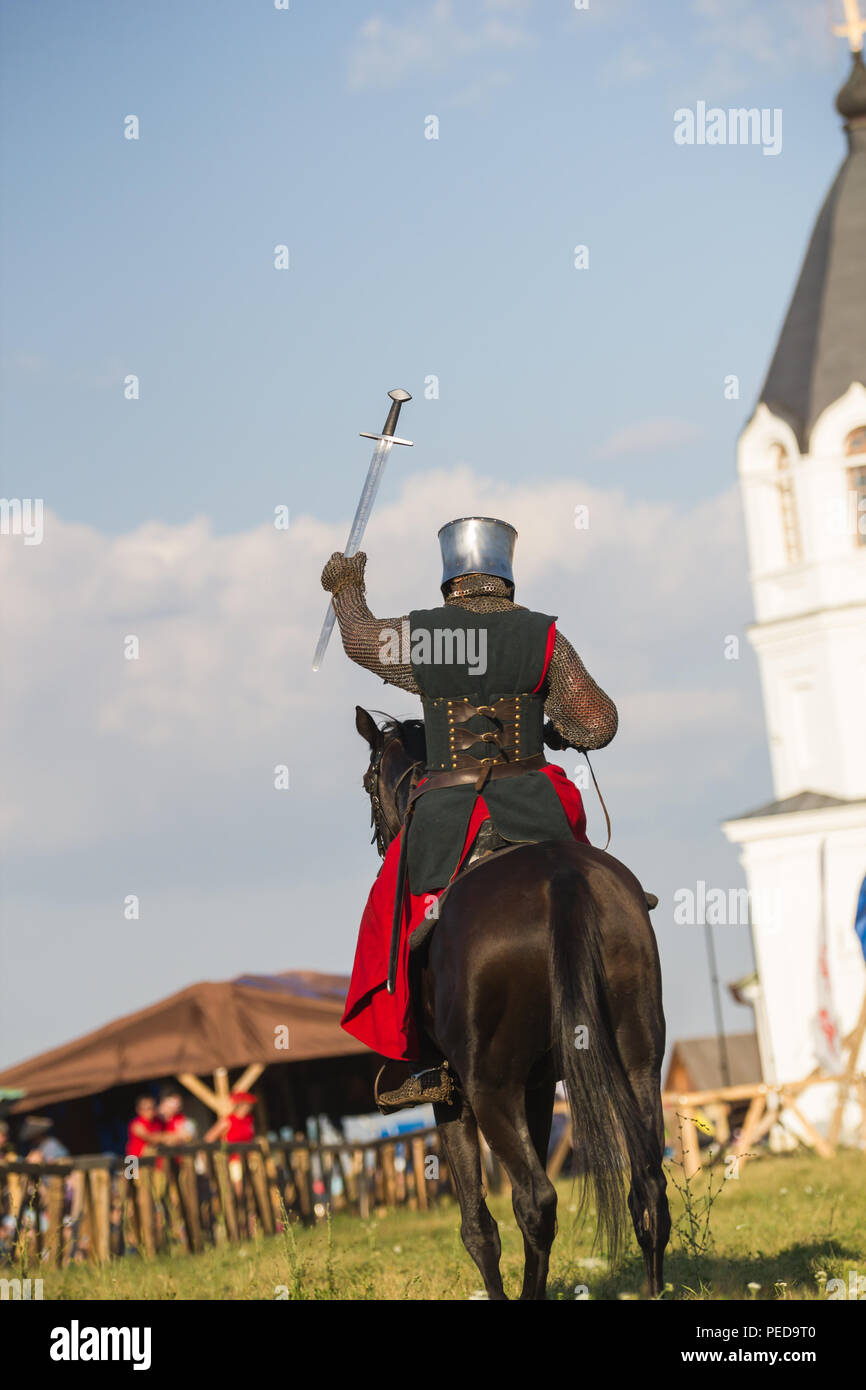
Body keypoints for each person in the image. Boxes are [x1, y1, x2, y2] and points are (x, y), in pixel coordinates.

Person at [321, 515, 625, 1111]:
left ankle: (414, 1058)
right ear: (505, 576)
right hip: (536, 803)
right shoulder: (543, 638)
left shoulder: (432, 637)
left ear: (450, 580)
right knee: (591, 880)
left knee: (391, 906)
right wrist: (552, 730)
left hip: (451, 809)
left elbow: (359, 641)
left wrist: (345, 586)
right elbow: (600, 722)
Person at [125, 1095, 164, 1159]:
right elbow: (151, 1139)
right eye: (147, 1109)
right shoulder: (136, 1124)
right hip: (136, 1162)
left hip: (154, 1162)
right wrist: (164, 1137)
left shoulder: (158, 1121)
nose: (151, 1111)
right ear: (138, 1110)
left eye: (153, 1107)